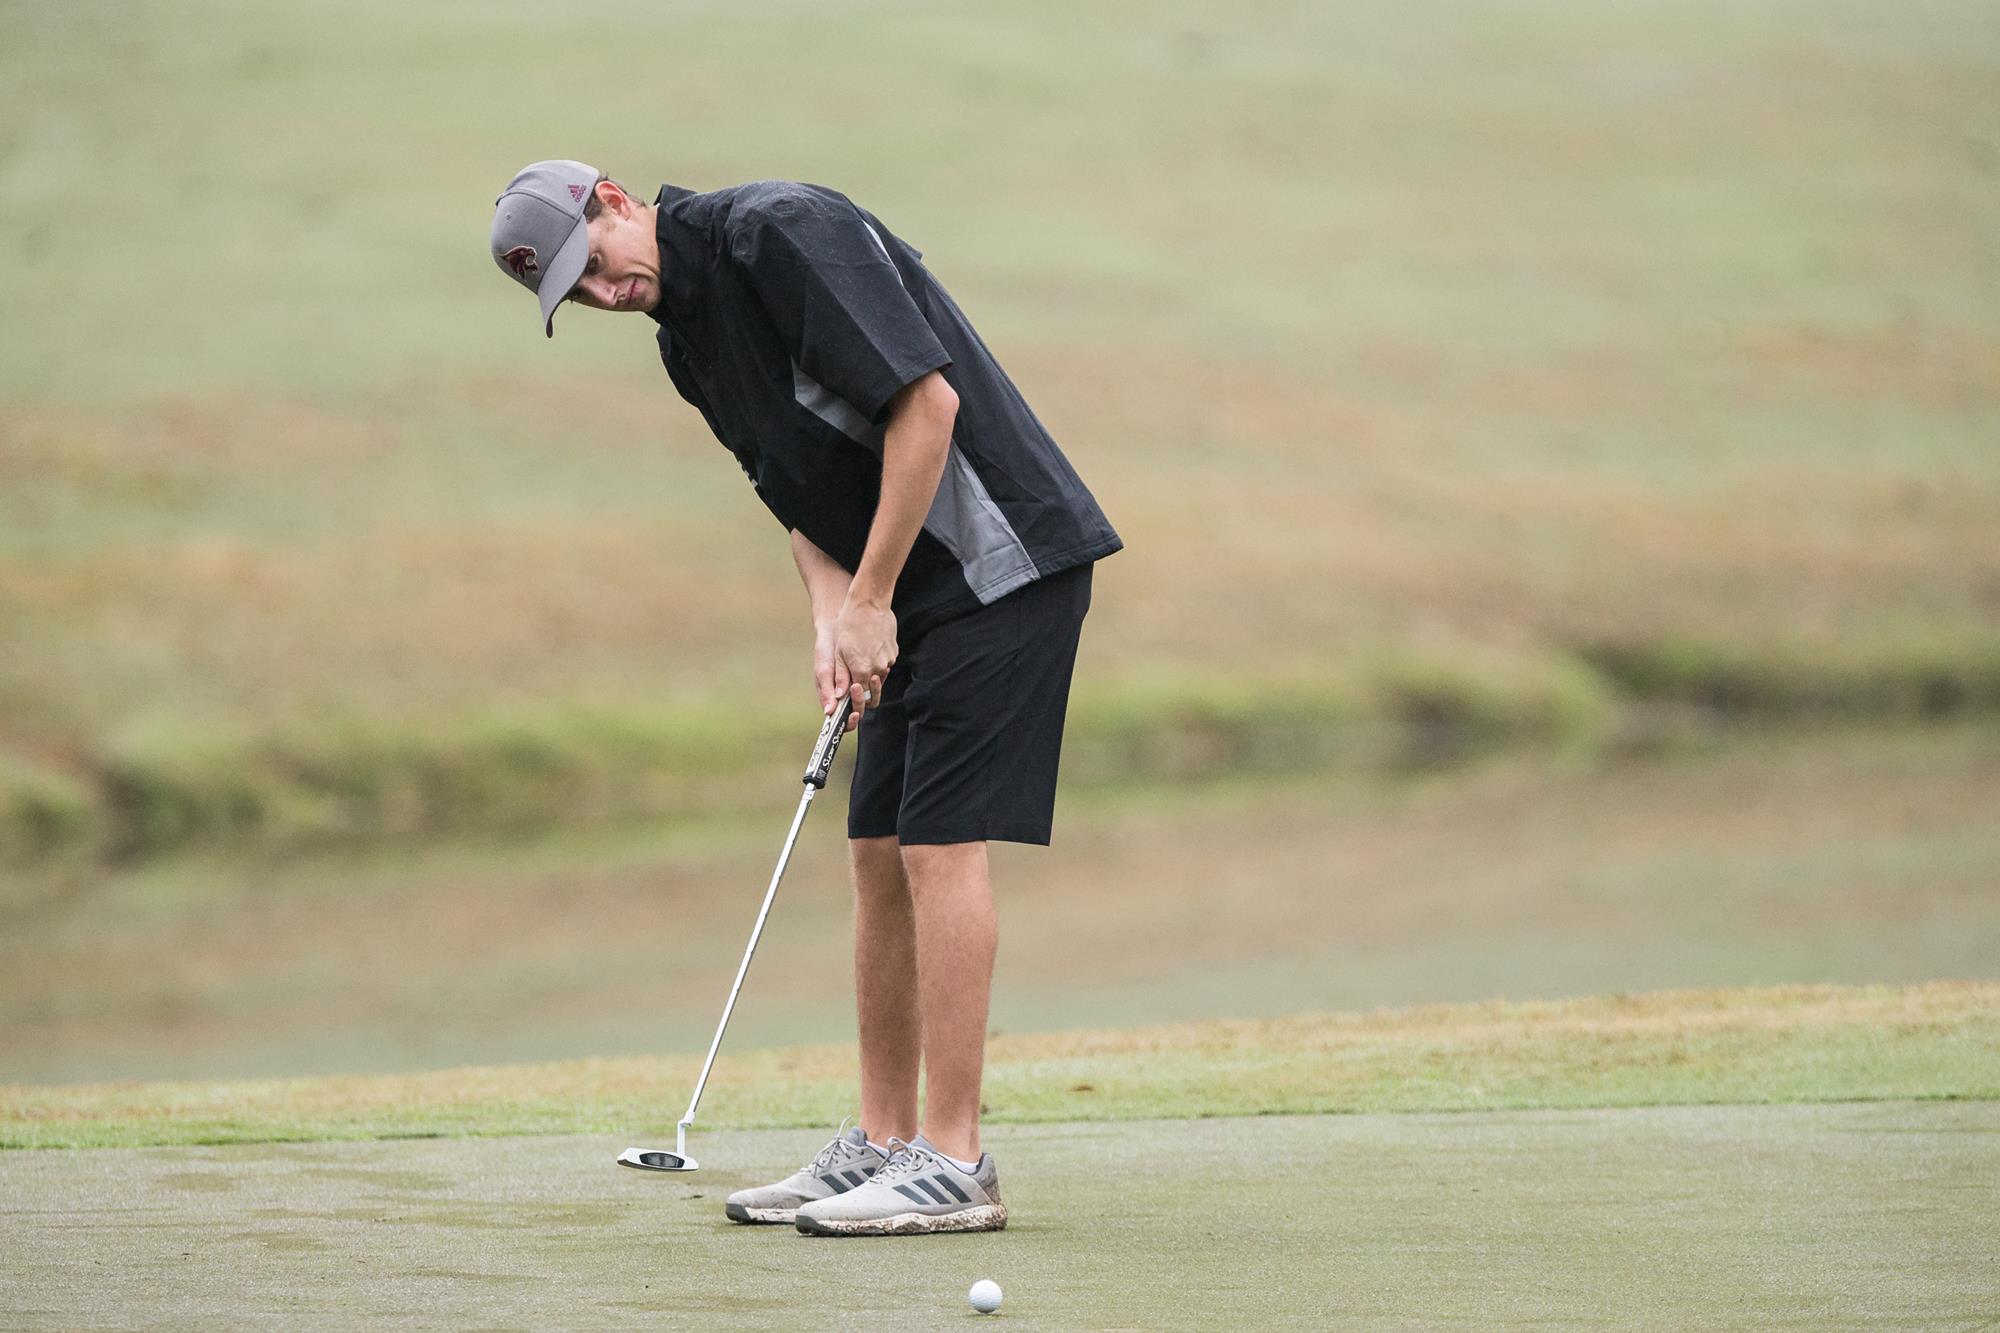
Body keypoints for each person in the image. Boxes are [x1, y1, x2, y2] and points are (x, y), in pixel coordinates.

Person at [489, 160, 1121, 1236]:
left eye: (592, 265)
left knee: (934, 843)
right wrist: (831, 617)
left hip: (1002, 562)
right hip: (905, 592)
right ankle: (880, 1144)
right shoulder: (684, 341)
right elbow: (792, 489)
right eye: (575, 295)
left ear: (614, 200)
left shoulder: (780, 232)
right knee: (873, 850)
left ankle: (955, 1159)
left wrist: (871, 596)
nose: (602, 295)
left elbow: (927, 408)